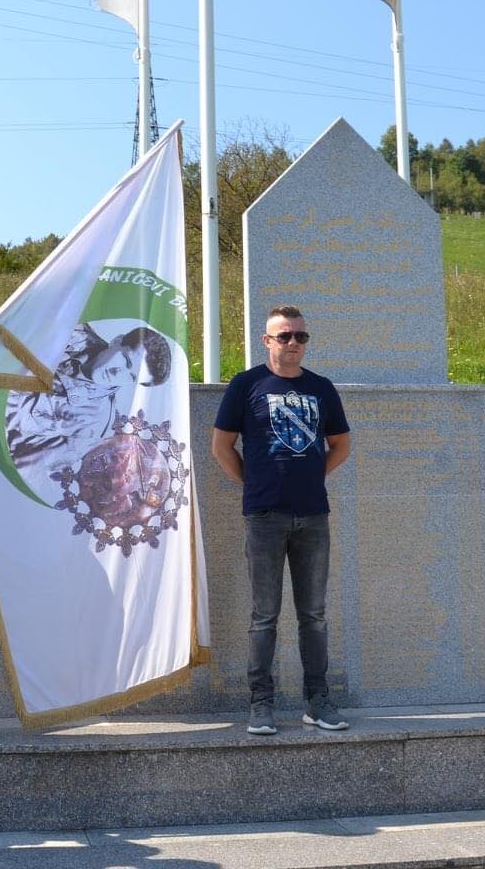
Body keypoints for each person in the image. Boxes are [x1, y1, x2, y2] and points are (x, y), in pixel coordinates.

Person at [210, 305, 352, 736]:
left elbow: (340, 445)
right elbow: (222, 447)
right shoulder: (246, 385)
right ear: (267, 341)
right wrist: (253, 486)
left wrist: (310, 477)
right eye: (285, 336)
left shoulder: (321, 388)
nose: (294, 343)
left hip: (313, 516)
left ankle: (317, 700)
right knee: (264, 615)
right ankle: (260, 703)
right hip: (264, 517)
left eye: (301, 337)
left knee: (314, 614)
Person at [5, 322, 172, 489]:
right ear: (117, 341)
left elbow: (20, 471)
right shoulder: (72, 330)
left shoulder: (93, 425)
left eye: (132, 377)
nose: (118, 373)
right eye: (125, 360)